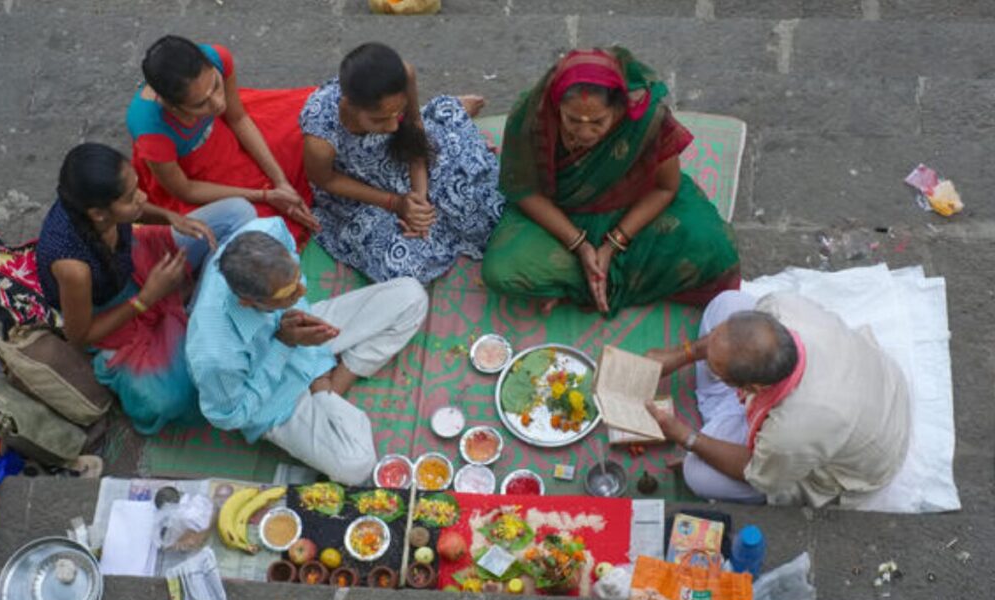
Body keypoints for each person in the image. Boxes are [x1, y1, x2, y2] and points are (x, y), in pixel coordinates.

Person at [482, 47, 740, 316]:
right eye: (572, 120)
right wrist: (580, 245)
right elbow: (523, 190)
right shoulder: (532, 114)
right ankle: (592, 278)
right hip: (558, 214)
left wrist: (612, 246)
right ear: (557, 104)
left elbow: (665, 188)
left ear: (618, 109)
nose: (584, 133)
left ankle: (577, 284)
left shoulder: (647, 119)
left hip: (634, 207)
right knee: (501, 270)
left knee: (714, 248)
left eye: (597, 122)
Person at [185, 217, 428, 485]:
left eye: (297, 275)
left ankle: (332, 383)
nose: (303, 288)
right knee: (357, 466)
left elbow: (292, 281)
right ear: (248, 302)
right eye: (290, 290)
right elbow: (231, 415)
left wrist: (296, 313)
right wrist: (284, 345)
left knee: (411, 296)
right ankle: (322, 391)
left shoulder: (267, 230)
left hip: (298, 325)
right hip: (275, 393)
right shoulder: (217, 355)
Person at [35, 143, 256, 434]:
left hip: (141, 260)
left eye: (137, 187)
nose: (141, 197)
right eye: (130, 196)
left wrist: (169, 217)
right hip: (113, 312)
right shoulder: (74, 267)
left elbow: (133, 211)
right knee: (169, 400)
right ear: (99, 214)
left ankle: (194, 307)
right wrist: (148, 297)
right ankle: (193, 306)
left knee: (239, 213)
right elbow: (78, 336)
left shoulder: (97, 207)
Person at [644, 290, 911, 507]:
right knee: (727, 303)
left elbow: (758, 472)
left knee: (698, 474)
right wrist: (682, 354)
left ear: (753, 388)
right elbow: (729, 336)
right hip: (863, 386)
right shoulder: (783, 307)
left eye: (720, 374)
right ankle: (726, 417)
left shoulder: (794, 429)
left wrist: (687, 437)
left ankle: (724, 422)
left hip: (859, 447)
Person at [301, 42, 504, 283]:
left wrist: (420, 196)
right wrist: (395, 203)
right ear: (349, 107)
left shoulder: (403, 75)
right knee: (404, 270)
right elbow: (326, 180)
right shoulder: (320, 137)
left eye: (395, 113)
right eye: (379, 120)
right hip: (360, 190)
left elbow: (412, 127)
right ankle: (449, 112)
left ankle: (444, 113)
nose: (391, 126)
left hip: (405, 154)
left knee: (487, 213)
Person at [127, 35, 318, 242]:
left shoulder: (217, 58)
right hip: (195, 174)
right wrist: (266, 196)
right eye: (201, 104)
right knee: (255, 227)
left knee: (309, 125)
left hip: (227, 130)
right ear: (172, 107)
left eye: (217, 86)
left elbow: (238, 118)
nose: (218, 104)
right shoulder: (151, 133)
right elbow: (186, 190)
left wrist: (280, 182)